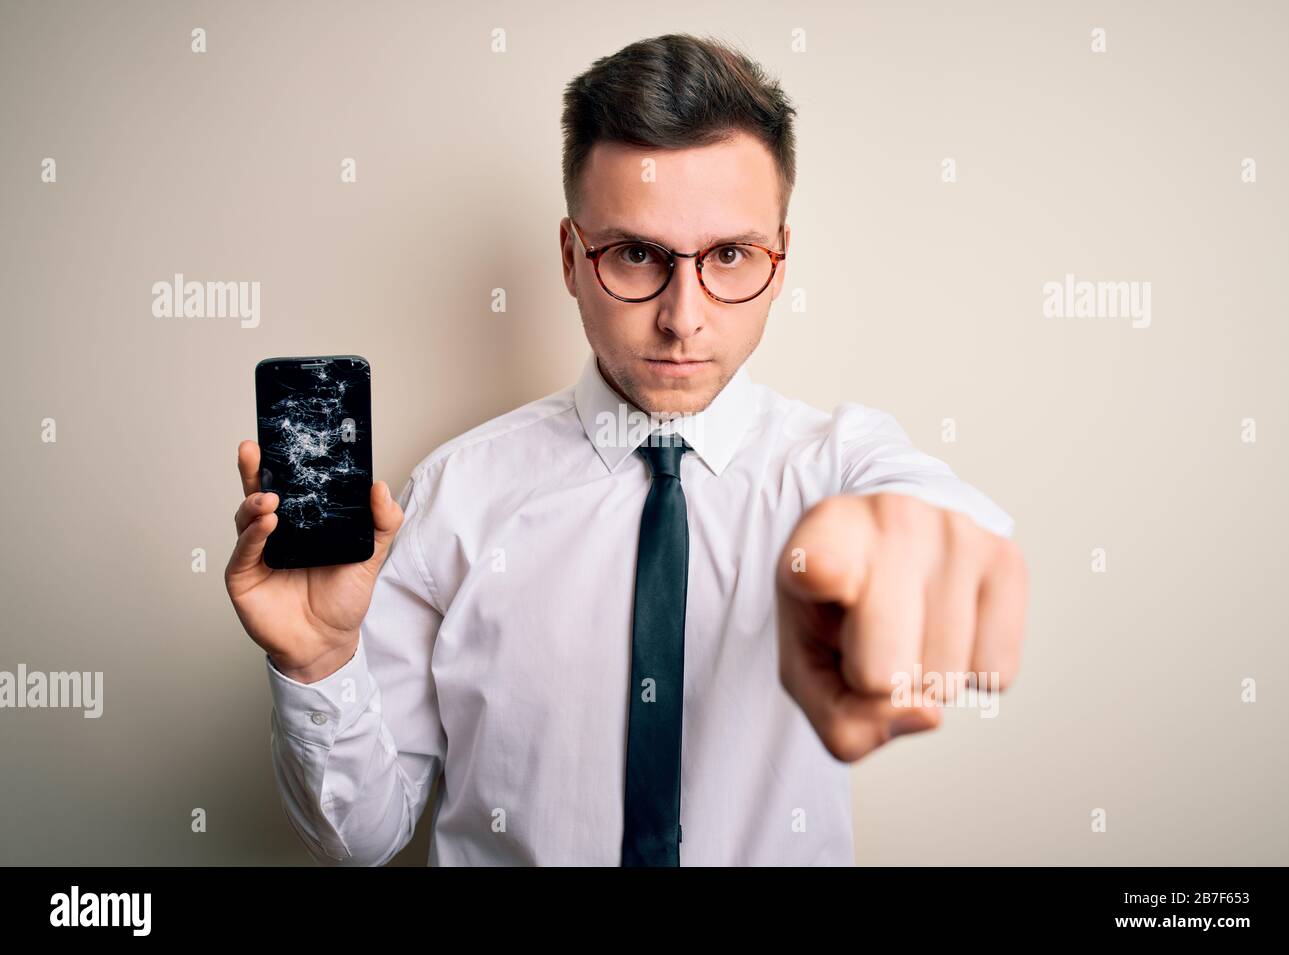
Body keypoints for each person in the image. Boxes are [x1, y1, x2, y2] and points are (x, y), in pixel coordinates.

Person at [224, 33, 1027, 866]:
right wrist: (318, 664)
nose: (684, 315)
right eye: (638, 254)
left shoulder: (839, 466)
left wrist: (912, 558)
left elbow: (933, 523)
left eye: (729, 255)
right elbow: (361, 838)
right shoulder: (456, 498)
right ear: (572, 258)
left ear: (780, 263)